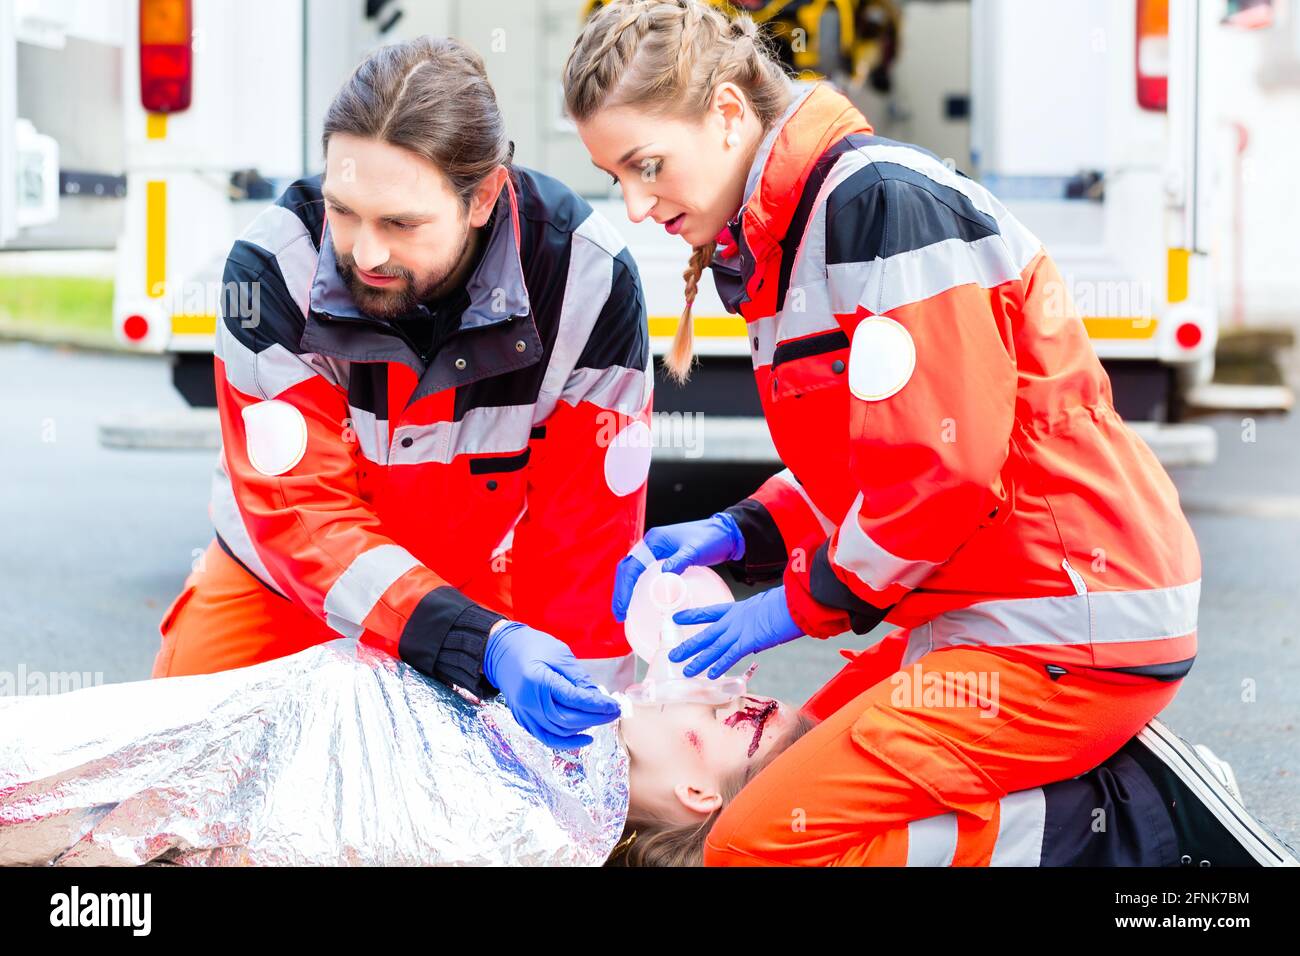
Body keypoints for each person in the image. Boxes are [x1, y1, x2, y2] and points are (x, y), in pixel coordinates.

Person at [562, 0, 1203, 855]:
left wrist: (793, 606)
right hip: (1009, 614)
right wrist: (740, 531)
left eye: (648, 165)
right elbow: (869, 458)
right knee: (786, 768)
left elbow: (941, 473)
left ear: (724, 116)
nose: (637, 206)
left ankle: (1120, 831)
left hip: (1064, 623)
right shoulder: (795, 234)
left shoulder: (873, 209)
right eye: (616, 178)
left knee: (748, 844)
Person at [152, 36, 654, 748]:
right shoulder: (270, 274)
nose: (364, 252)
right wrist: (477, 643)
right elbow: (306, 522)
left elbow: (585, 543)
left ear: (483, 197)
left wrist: (590, 735)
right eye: (344, 210)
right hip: (280, 580)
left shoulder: (585, 281)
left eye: (399, 223)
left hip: (473, 592)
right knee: (177, 778)